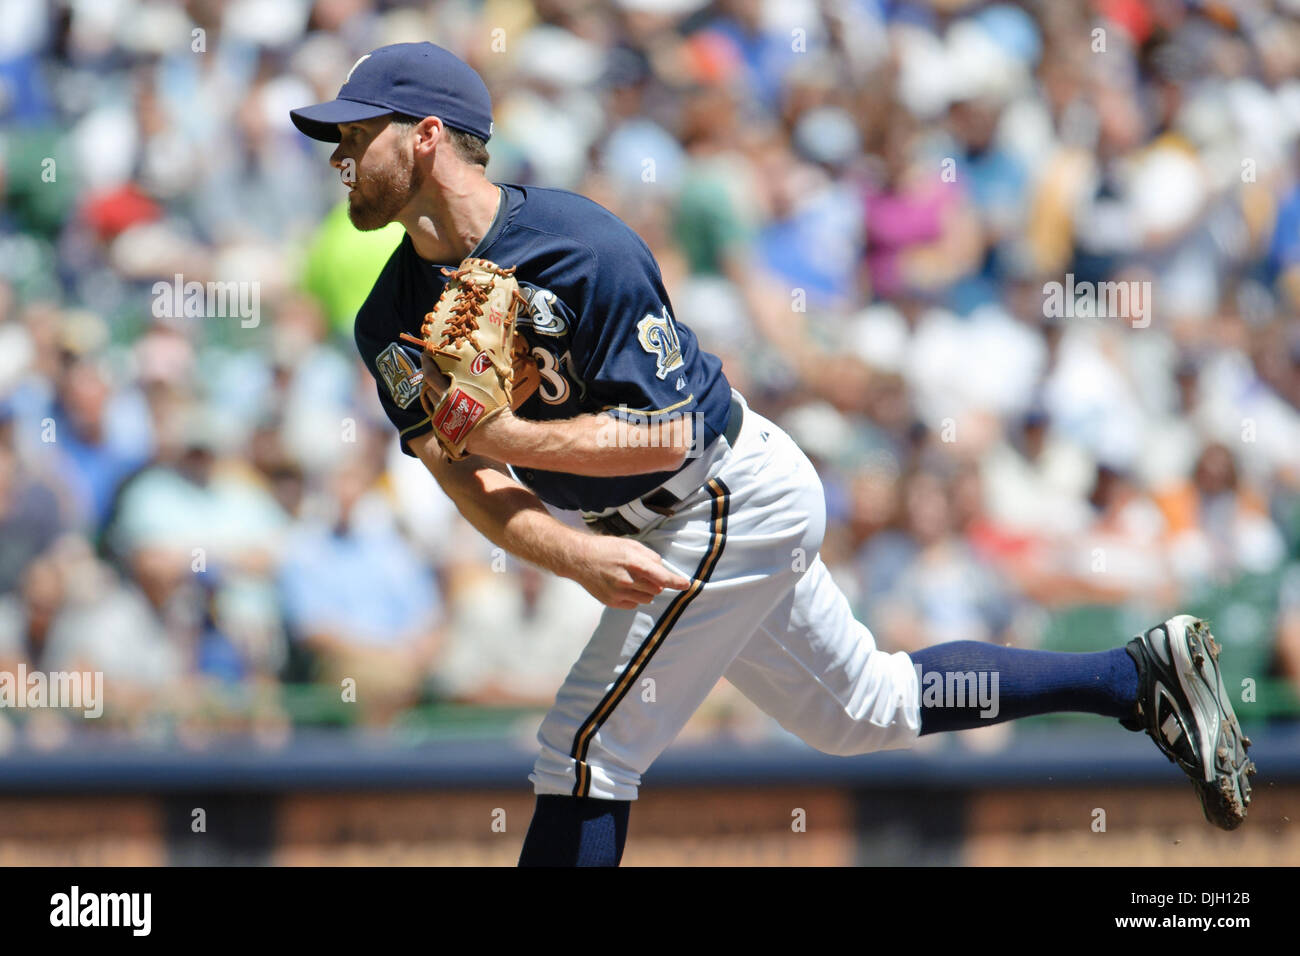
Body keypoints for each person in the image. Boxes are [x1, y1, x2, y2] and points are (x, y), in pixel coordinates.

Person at [290, 42, 1254, 866]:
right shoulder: (388, 314)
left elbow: (670, 434)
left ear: (424, 134)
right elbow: (464, 474)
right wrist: (570, 551)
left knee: (585, 749)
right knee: (863, 710)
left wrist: (508, 437)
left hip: (721, 491)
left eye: (353, 132)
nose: (338, 155)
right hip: (649, 519)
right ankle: (1135, 677)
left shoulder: (583, 247)